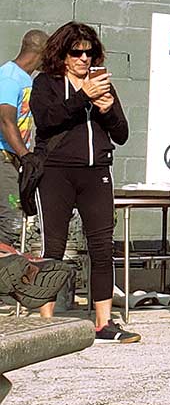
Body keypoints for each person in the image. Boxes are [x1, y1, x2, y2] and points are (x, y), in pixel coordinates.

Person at [29, 23, 135, 343]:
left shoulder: (100, 83)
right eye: (77, 52)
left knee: (102, 248)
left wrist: (107, 110)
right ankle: (46, 322)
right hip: (57, 172)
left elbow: (121, 134)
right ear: (62, 55)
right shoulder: (46, 83)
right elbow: (46, 120)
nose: (84, 58)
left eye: (90, 52)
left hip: (96, 172)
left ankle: (104, 322)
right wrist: (81, 97)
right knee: (54, 248)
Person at [0, 29, 46, 253]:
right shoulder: (9, 77)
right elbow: (5, 120)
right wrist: (25, 155)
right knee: (11, 223)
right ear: (42, 53)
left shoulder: (25, 78)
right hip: (3, 157)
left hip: (13, 158)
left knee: (14, 221)